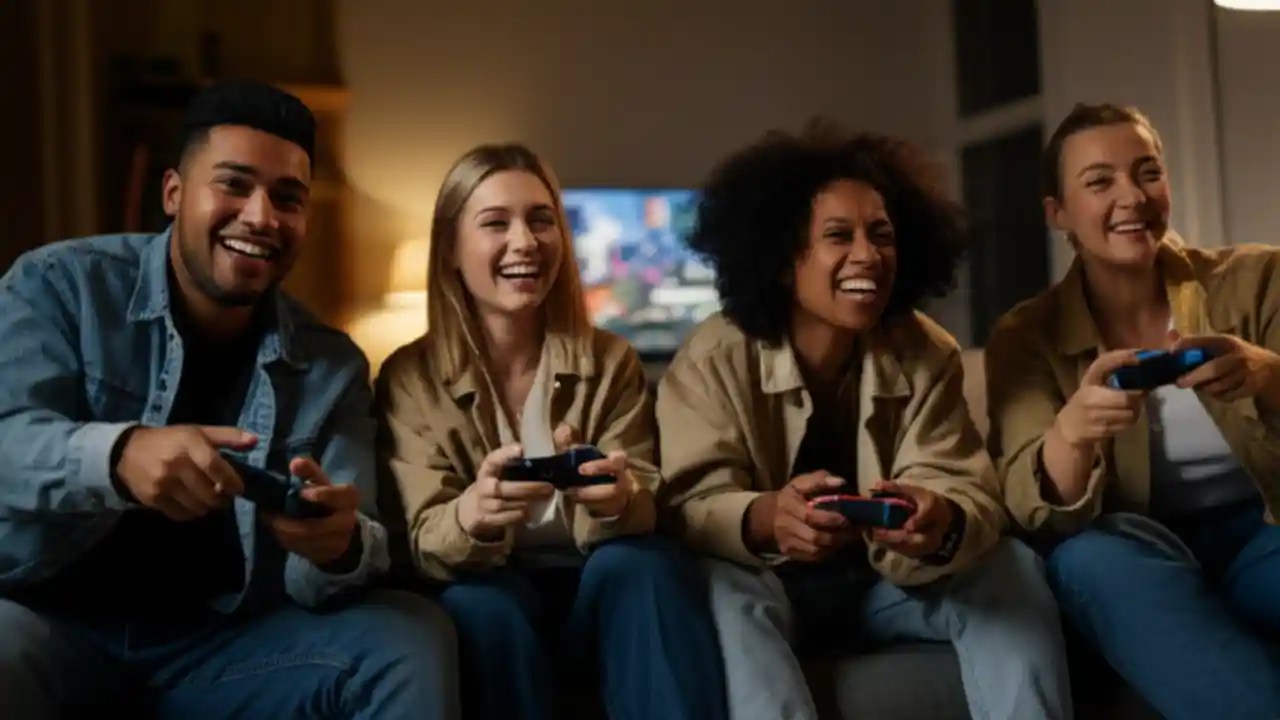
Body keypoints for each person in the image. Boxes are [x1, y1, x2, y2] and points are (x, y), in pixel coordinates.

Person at [0, 81, 459, 720]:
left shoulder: (333, 368)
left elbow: (359, 543)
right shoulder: (59, 285)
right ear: (173, 193)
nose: (262, 216)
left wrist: (338, 546)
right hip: (48, 627)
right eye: (234, 185)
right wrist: (119, 456)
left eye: (288, 198)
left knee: (407, 635)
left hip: (222, 651)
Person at [657, 121, 1073, 720]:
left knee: (1011, 565)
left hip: (889, 585)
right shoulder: (713, 356)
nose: (868, 255)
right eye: (838, 236)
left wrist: (940, 518)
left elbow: (962, 484)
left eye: (882, 235)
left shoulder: (927, 350)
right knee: (724, 585)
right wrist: (770, 517)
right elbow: (687, 505)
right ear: (784, 259)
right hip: (770, 592)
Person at [375, 142, 728, 720]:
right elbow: (415, 540)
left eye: (542, 221)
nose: (526, 241)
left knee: (643, 563)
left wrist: (619, 502)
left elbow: (647, 498)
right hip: (493, 590)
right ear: (450, 250)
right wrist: (470, 515)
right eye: (496, 223)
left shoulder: (610, 359)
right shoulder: (409, 378)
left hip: (593, 584)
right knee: (480, 603)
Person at [985, 102, 1280, 719]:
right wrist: (1073, 433)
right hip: (1133, 554)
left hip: (1264, 533)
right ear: (1057, 213)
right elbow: (1031, 508)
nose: (1133, 197)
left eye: (1148, 173)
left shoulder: (1259, 279)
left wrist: (1266, 373)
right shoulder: (1025, 336)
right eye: (1100, 182)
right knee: (1087, 559)